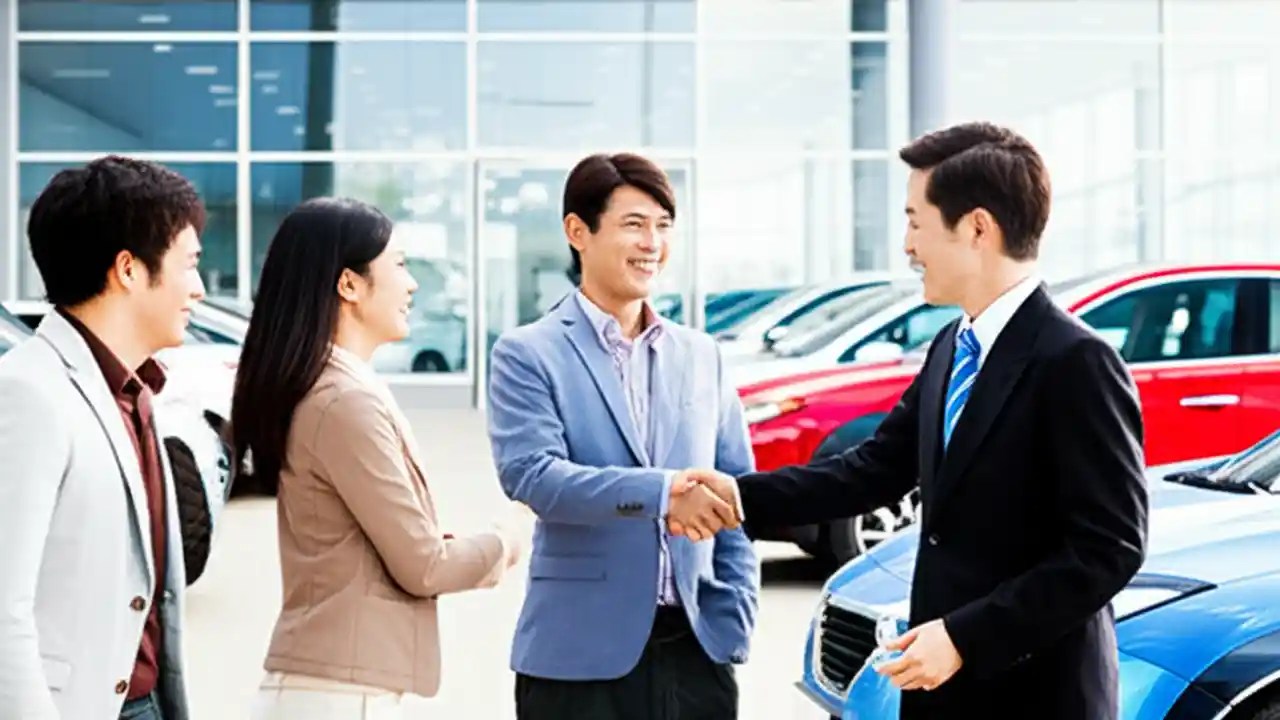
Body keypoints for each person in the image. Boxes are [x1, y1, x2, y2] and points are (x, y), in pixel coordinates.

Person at [693, 122, 1149, 719]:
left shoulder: (1076, 361)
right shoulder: (950, 350)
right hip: (943, 691)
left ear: (978, 228)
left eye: (915, 221)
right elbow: (872, 470)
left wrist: (965, 637)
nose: (907, 246)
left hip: (1036, 695)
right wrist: (735, 498)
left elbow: (1108, 548)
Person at [231, 197, 530, 719]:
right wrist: (509, 538)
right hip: (338, 697)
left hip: (335, 688)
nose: (411, 284)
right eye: (399, 264)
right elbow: (423, 566)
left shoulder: (336, 387)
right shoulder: (343, 400)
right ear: (349, 284)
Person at [486, 153, 760, 720]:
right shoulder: (528, 352)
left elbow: (739, 491)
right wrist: (663, 493)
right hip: (579, 661)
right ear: (577, 232)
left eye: (663, 227)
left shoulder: (700, 354)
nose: (652, 243)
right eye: (634, 224)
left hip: (696, 651)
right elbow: (534, 476)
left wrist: (734, 608)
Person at [0, 156, 206, 720]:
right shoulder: (29, 393)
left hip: (146, 700)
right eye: (189, 265)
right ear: (129, 269)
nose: (200, 289)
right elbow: (4, 608)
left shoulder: (137, 392)